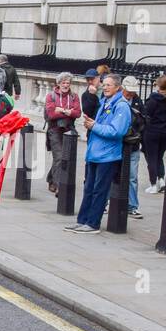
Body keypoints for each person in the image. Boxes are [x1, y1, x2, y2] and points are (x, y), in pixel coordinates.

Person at [69, 74, 130, 234]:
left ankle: (93, 224)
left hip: (108, 156)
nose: (105, 87)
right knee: (88, 189)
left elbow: (117, 131)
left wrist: (94, 126)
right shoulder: (104, 101)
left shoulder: (122, 106)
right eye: (104, 84)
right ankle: (82, 221)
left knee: (99, 190)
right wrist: (91, 123)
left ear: (118, 87)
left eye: (109, 85)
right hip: (94, 153)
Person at [43, 72, 81, 196]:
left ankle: (51, 178)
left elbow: (77, 113)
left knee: (65, 158)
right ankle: (59, 187)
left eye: (68, 83)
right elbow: (51, 114)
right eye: (63, 83)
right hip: (54, 130)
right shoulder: (51, 96)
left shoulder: (74, 96)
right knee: (59, 157)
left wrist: (62, 110)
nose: (66, 85)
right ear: (58, 84)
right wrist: (68, 112)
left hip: (69, 129)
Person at [142, 75, 166, 195]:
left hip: (152, 132)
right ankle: (162, 180)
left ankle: (153, 184)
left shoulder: (153, 99)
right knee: (159, 156)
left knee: (152, 158)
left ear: (158, 85)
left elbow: (147, 113)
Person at [120, 75, 145, 219]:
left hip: (133, 144)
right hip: (118, 143)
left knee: (132, 176)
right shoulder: (116, 100)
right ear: (122, 88)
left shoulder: (137, 101)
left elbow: (144, 119)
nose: (131, 93)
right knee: (113, 174)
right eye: (129, 90)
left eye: (133, 91)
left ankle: (132, 206)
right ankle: (106, 202)